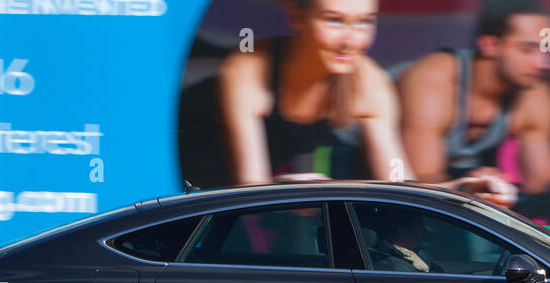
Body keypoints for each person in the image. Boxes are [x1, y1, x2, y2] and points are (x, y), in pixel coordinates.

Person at [214, 0, 516, 203]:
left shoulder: (371, 83)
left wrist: (462, 189)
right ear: (297, 16)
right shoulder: (249, 68)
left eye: (364, 22)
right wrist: (293, 189)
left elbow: (400, 187)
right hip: (197, 168)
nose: (351, 41)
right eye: (334, 20)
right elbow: (247, 190)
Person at [396, 0, 550, 207]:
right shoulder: (432, 81)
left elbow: (542, 185)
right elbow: (415, 183)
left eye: (547, 50)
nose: (543, 63)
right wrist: (472, 184)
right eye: (527, 50)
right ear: (490, 45)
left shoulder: (534, 92)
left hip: (455, 190)